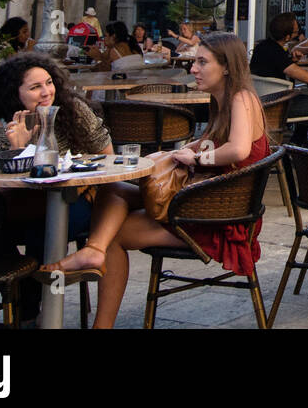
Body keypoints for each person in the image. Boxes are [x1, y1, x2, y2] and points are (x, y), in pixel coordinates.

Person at [43, 32, 270, 328]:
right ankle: (92, 252)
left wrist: (197, 158)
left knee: (115, 233)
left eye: (202, 62)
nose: (193, 69)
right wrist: (185, 149)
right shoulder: (224, 100)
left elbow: (238, 149)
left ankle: (101, 314)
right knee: (113, 190)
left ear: (226, 66)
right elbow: (218, 144)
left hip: (220, 217)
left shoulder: (241, 97)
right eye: (194, 62)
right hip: (202, 201)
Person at [0, 52, 114, 324]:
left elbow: (108, 156)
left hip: (71, 202)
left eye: (49, 83)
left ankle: (25, 310)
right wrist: (20, 149)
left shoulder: (73, 111)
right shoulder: (0, 129)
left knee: (45, 228)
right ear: (14, 93)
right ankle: (22, 301)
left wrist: (82, 178)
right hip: (20, 207)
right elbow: (4, 189)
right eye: (35, 87)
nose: (46, 92)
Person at [250, 12, 308, 84]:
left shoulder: (262, 46)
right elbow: (307, 77)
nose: (298, 34)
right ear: (287, 37)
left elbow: (276, 66)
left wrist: (292, 60)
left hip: (262, 98)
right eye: (296, 32)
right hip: (278, 101)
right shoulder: (277, 52)